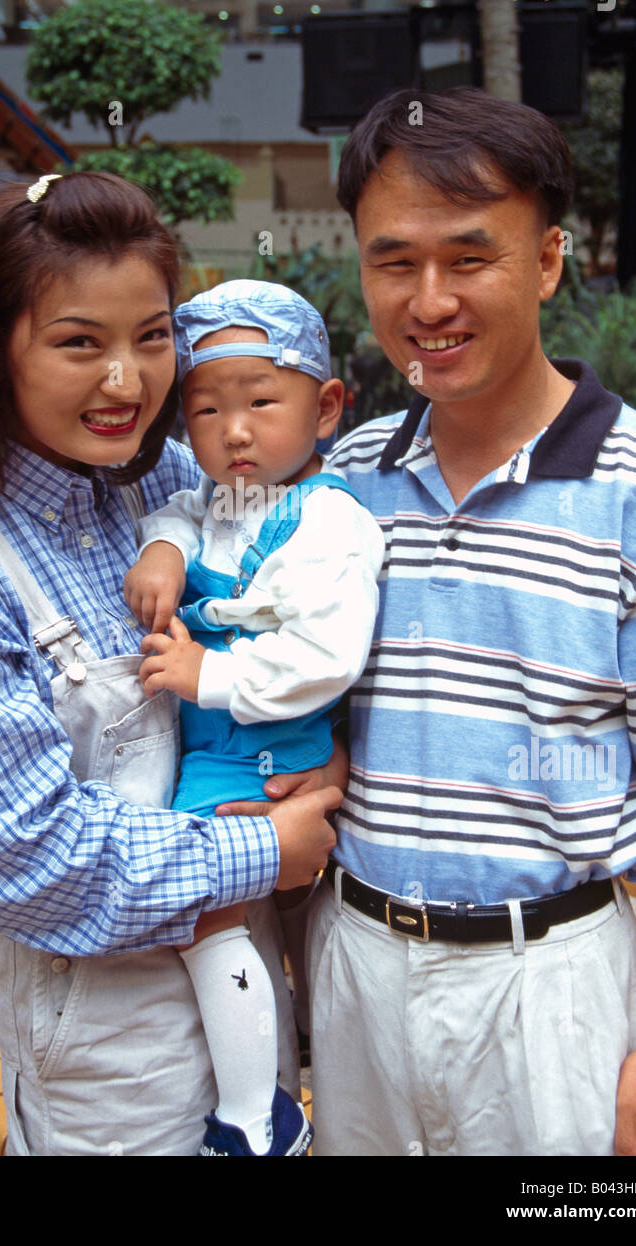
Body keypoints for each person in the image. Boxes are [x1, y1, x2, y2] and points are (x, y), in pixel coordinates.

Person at [0, 171, 343, 1156]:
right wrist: (266, 847)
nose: (128, 381)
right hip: (109, 1051)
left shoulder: (161, 483)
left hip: (254, 980)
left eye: (153, 337)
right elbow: (21, 849)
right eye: (81, 342)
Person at [305, 87, 636, 1157]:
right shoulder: (340, 483)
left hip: (554, 988)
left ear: (550, 261)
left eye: (470, 257)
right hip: (359, 972)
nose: (430, 301)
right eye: (395, 261)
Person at [124, 279, 384, 1155]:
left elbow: (324, 658)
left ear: (326, 408)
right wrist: (163, 546)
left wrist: (210, 672)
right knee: (249, 921)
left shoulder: (329, 521)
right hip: (222, 744)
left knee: (209, 913)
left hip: (267, 744)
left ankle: (254, 1117)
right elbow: (179, 512)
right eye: (203, 411)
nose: (233, 432)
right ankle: (278, 1090)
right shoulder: (219, 501)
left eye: (261, 403)